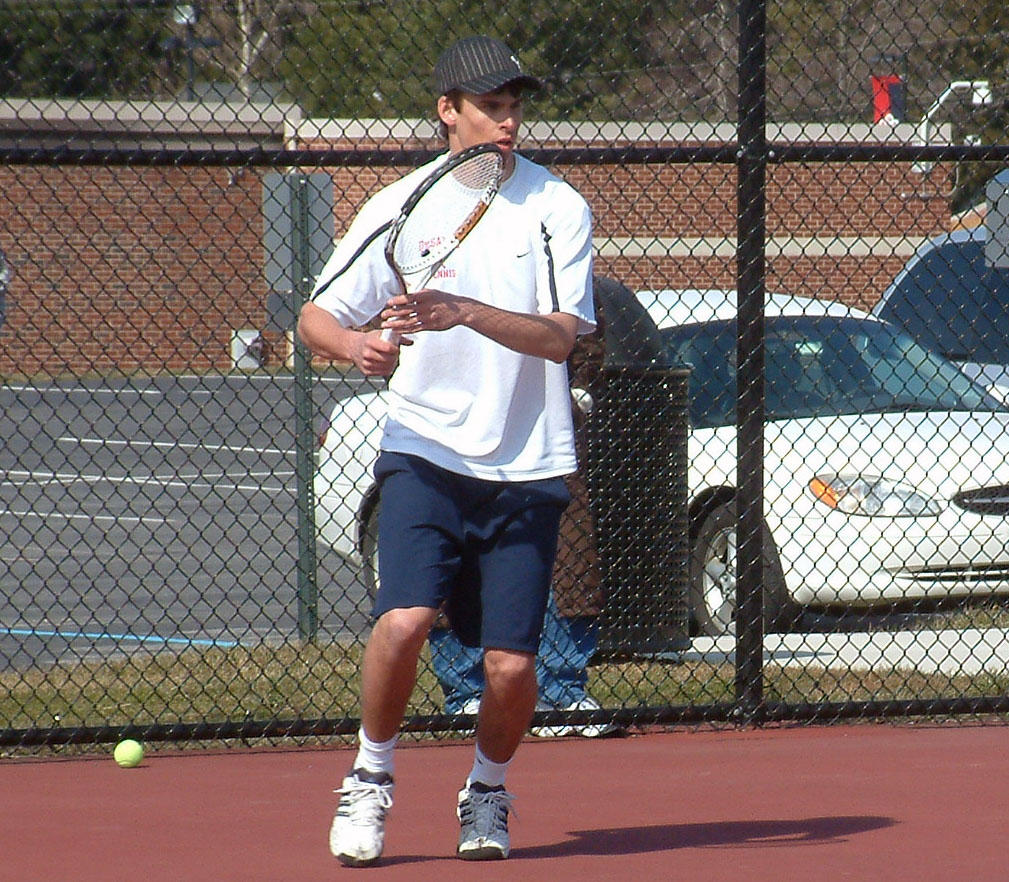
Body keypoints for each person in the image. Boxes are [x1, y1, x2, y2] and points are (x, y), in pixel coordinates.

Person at [297, 35, 595, 867]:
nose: (507, 122)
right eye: (489, 107)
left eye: (513, 106)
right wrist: (356, 347)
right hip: (422, 448)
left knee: (508, 670)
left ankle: (488, 791)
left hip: (528, 463)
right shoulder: (396, 204)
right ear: (447, 112)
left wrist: (465, 311)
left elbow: (562, 335)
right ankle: (370, 777)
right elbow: (315, 316)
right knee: (405, 620)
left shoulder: (557, 207)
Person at [428, 315, 619, 738]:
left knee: (568, 555)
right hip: (457, 434)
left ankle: (561, 692)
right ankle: (468, 694)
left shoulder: (551, 254)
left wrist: (578, 392)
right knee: (459, 556)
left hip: (544, 431)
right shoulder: (438, 261)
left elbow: (585, 328)